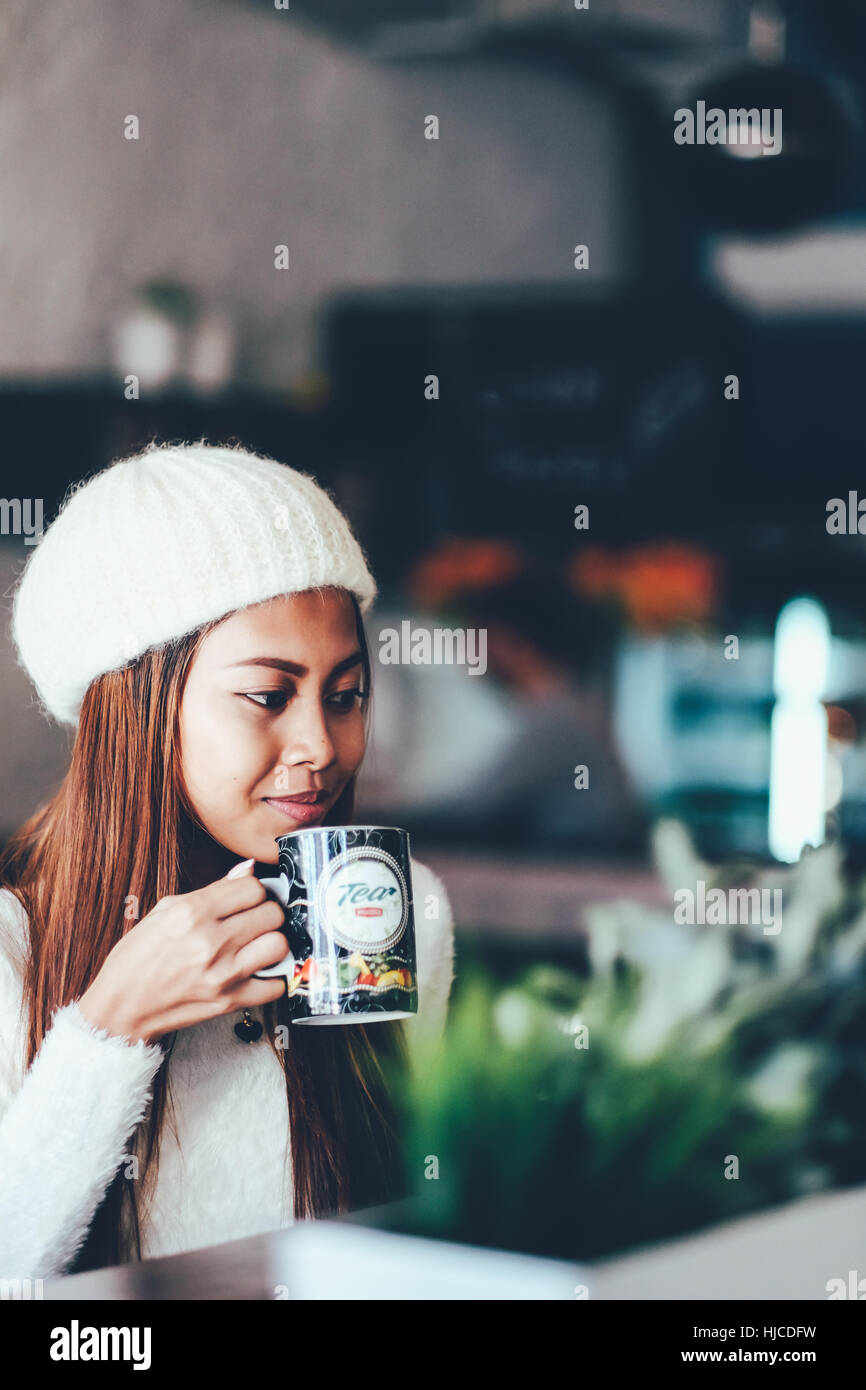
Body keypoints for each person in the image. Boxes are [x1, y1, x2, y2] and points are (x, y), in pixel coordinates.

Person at [0, 441, 455, 1279]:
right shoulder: (12, 950)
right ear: (135, 706)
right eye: (267, 696)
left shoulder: (403, 913)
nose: (321, 744)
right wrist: (109, 1030)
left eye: (346, 695)